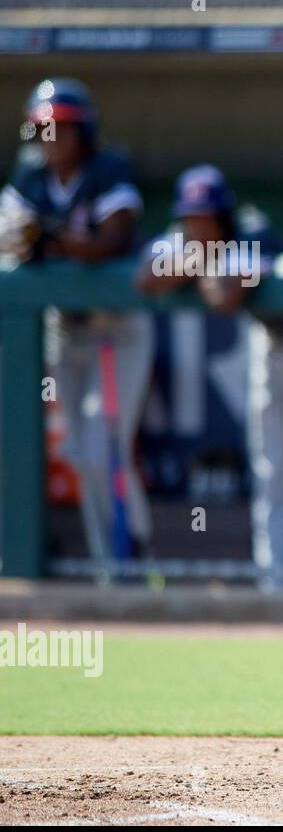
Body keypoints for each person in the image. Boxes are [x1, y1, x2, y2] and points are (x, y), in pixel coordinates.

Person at [136, 165, 283, 589]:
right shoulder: (189, 239)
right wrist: (197, 253)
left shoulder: (253, 231)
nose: (197, 225)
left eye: (206, 217)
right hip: (270, 347)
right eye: (190, 217)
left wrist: (196, 261)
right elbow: (146, 277)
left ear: (224, 215)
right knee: (272, 471)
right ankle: (275, 582)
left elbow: (224, 296)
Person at [0, 77, 152, 562]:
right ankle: (106, 562)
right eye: (44, 130)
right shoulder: (29, 176)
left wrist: (48, 238)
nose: (52, 140)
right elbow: (9, 238)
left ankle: (133, 550)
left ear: (84, 132)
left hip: (117, 328)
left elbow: (113, 243)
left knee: (101, 444)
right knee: (80, 453)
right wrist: (31, 239)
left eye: (62, 130)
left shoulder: (109, 169)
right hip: (66, 329)